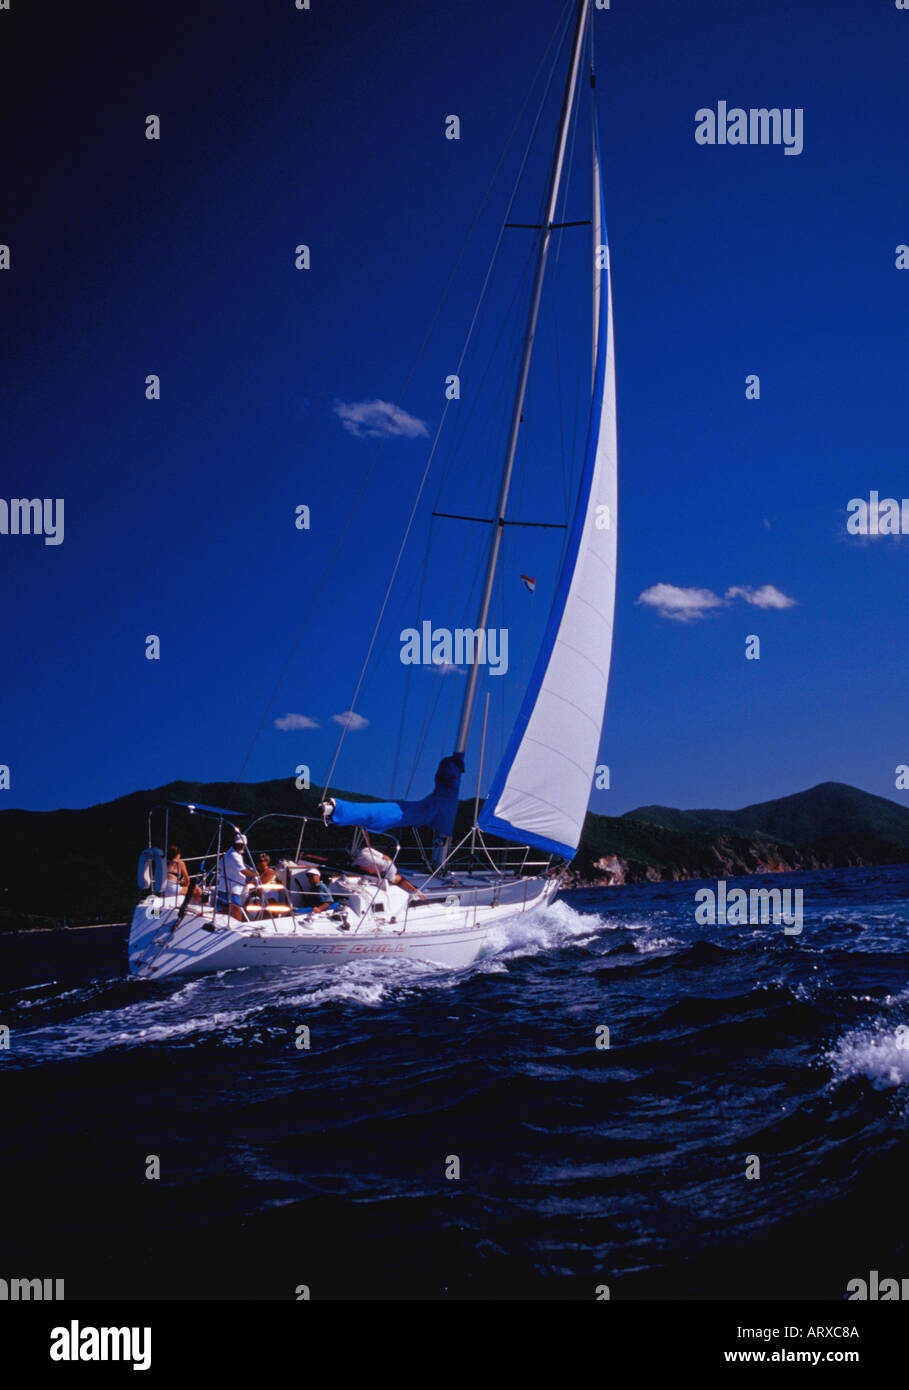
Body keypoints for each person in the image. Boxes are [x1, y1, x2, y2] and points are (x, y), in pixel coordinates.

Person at [214, 833, 258, 922]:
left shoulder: (227, 854)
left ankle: (227, 928)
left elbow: (219, 868)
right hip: (232, 890)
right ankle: (236, 928)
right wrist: (255, 874)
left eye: (242, 845)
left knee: (226, 910)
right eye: (239, 844)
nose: (241, 846)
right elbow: (244, 871)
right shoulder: (235, 856)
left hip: (223, 888)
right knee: (237, 911)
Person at [353, 845, 426, 899]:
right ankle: (414, 889)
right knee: (395, 878)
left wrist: (391, 864)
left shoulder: (363, 854)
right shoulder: (365, 850)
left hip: (387, 868)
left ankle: (415, 890)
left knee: (397, 880)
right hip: (383, 868)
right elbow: (384, 856)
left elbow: (383, 857)